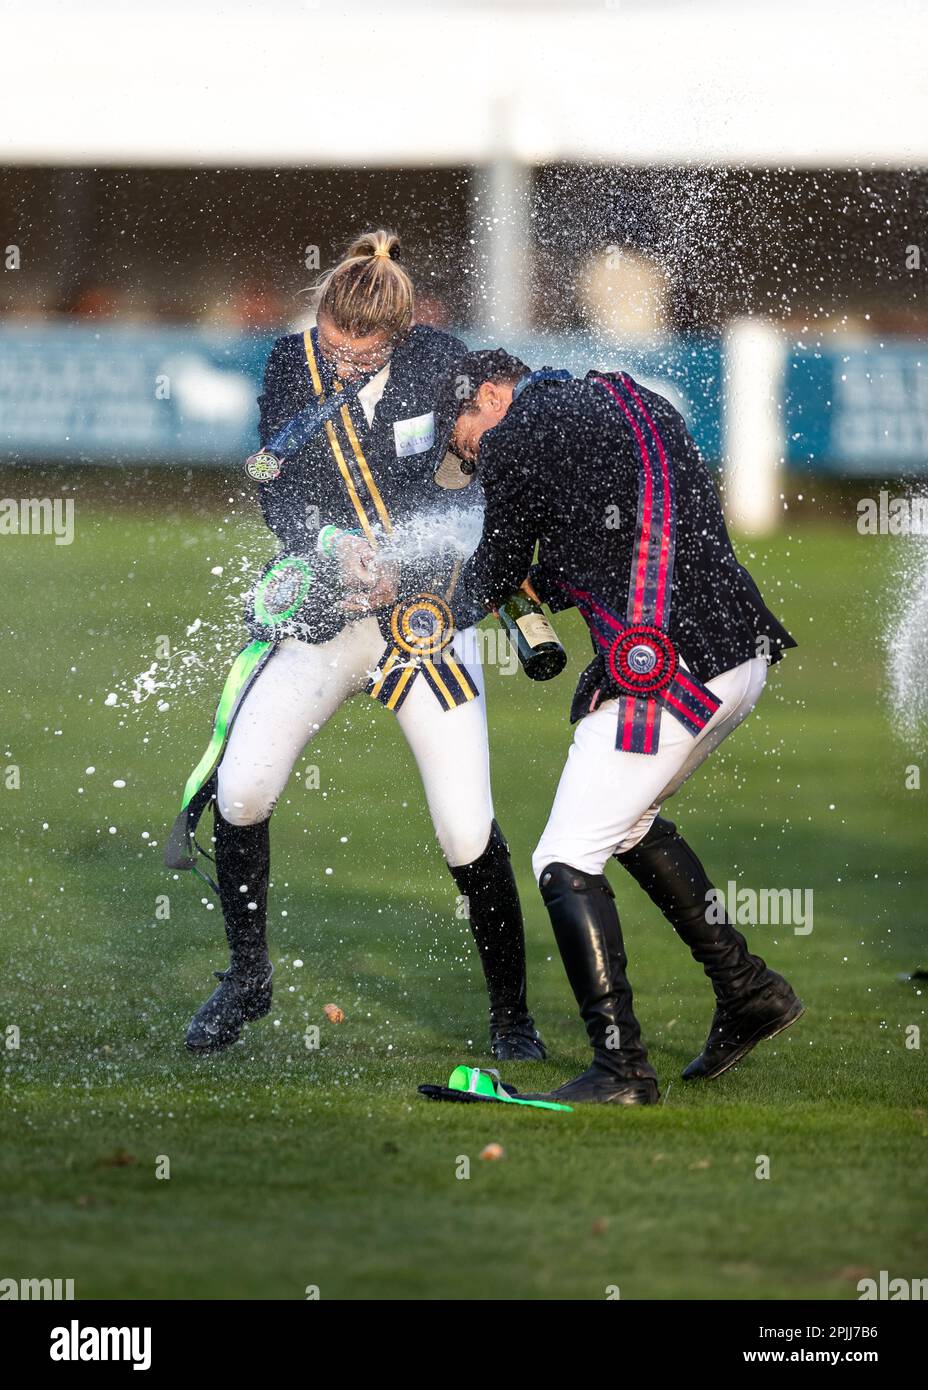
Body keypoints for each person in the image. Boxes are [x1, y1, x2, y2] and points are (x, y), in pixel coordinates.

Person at [167, 237, 545, 1063]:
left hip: (421, 624)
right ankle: (246, 976)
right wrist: (334, 544)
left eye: (360, 352)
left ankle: (512, 1017)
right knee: (243, 787)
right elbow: (278, 484)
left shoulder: (446, 363)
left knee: (463, 828)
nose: (338, 362)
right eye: (331, 343)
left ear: (401, 334)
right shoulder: (288, 362)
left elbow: (479, 483)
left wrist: (427, 569)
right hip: (327, 610)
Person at [440, 348, 804, 1104]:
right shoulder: (624, 397)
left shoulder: (514, 437)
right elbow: (630, 528)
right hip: (742, 653)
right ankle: (748, 991)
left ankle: (620, 1067)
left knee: (564, 857)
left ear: (489, 393)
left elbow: (498, 568)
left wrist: (414, 597)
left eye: (461, 433)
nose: (468, 454)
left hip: (670, 669)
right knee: (629, 824)